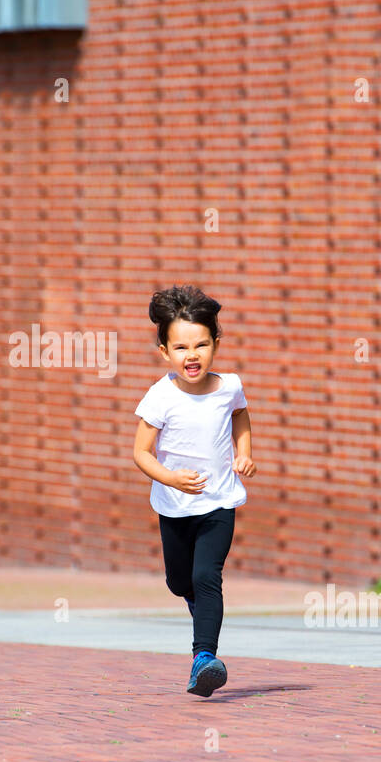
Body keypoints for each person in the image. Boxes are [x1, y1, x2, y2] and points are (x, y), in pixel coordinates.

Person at [133, 285, 256, 697]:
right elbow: (141, 452)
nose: (193, 355)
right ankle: (198, 608)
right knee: (178, 580)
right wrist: (170, 479)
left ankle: (205, 659)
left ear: (215, 344)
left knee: (207, 576)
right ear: (164, 351)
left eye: (202, 344)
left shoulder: (229, 387)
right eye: (181, 346)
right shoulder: (160, 396)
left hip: (218, 501)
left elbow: (240, 416)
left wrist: (244, 454)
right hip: (173, 504)